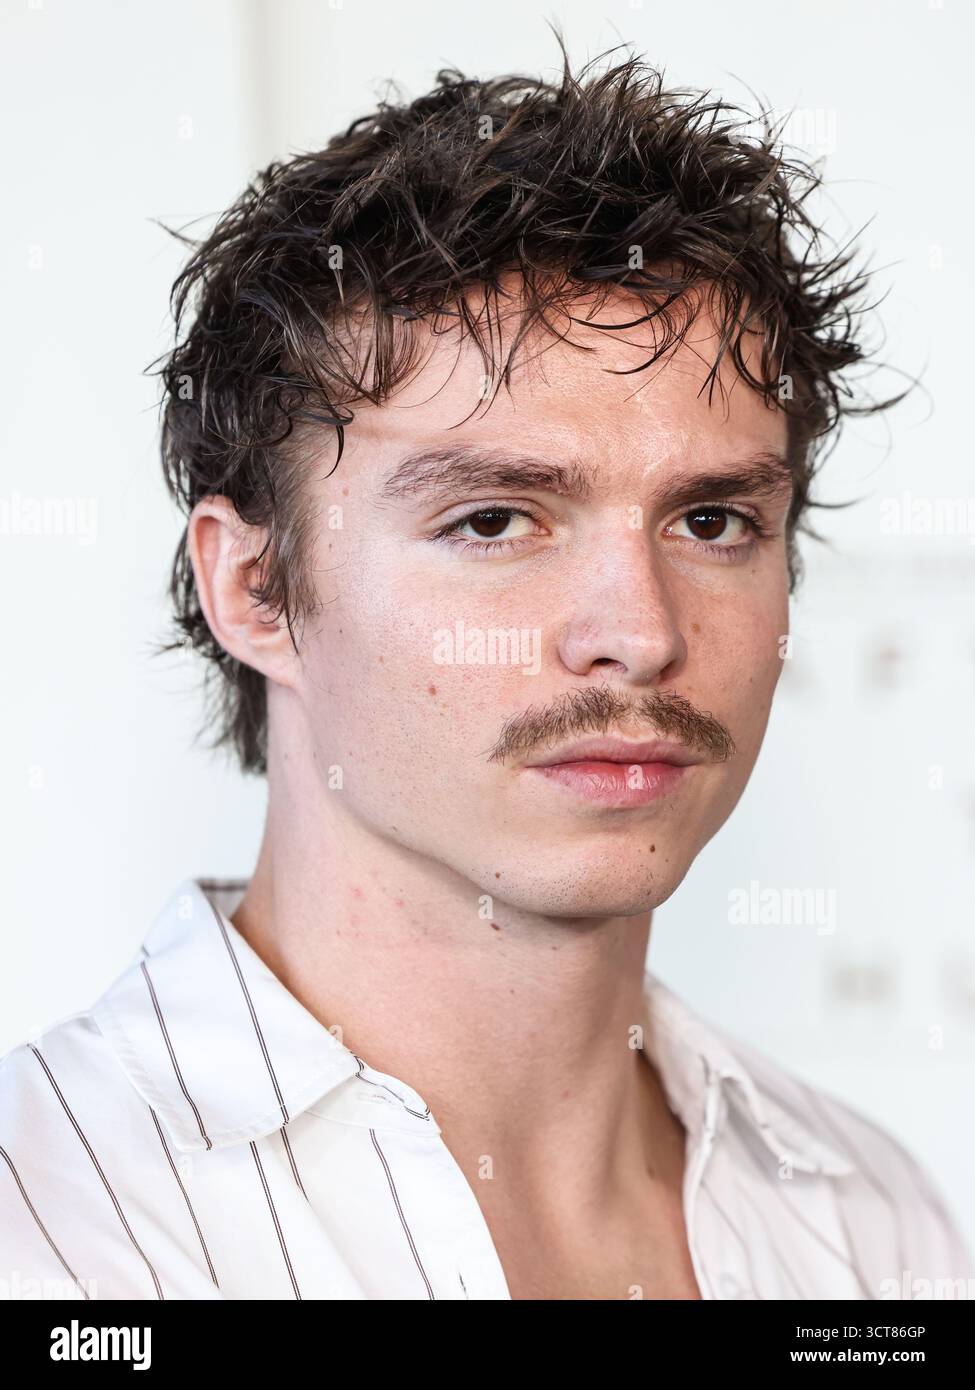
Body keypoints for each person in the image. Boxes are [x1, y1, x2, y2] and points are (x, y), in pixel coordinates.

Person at [1, 42, 970, 1301]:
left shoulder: (871, 1228)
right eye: (495, 521)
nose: (640, 632)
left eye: (713, 521)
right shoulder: (53, 1234)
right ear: (254, 588)